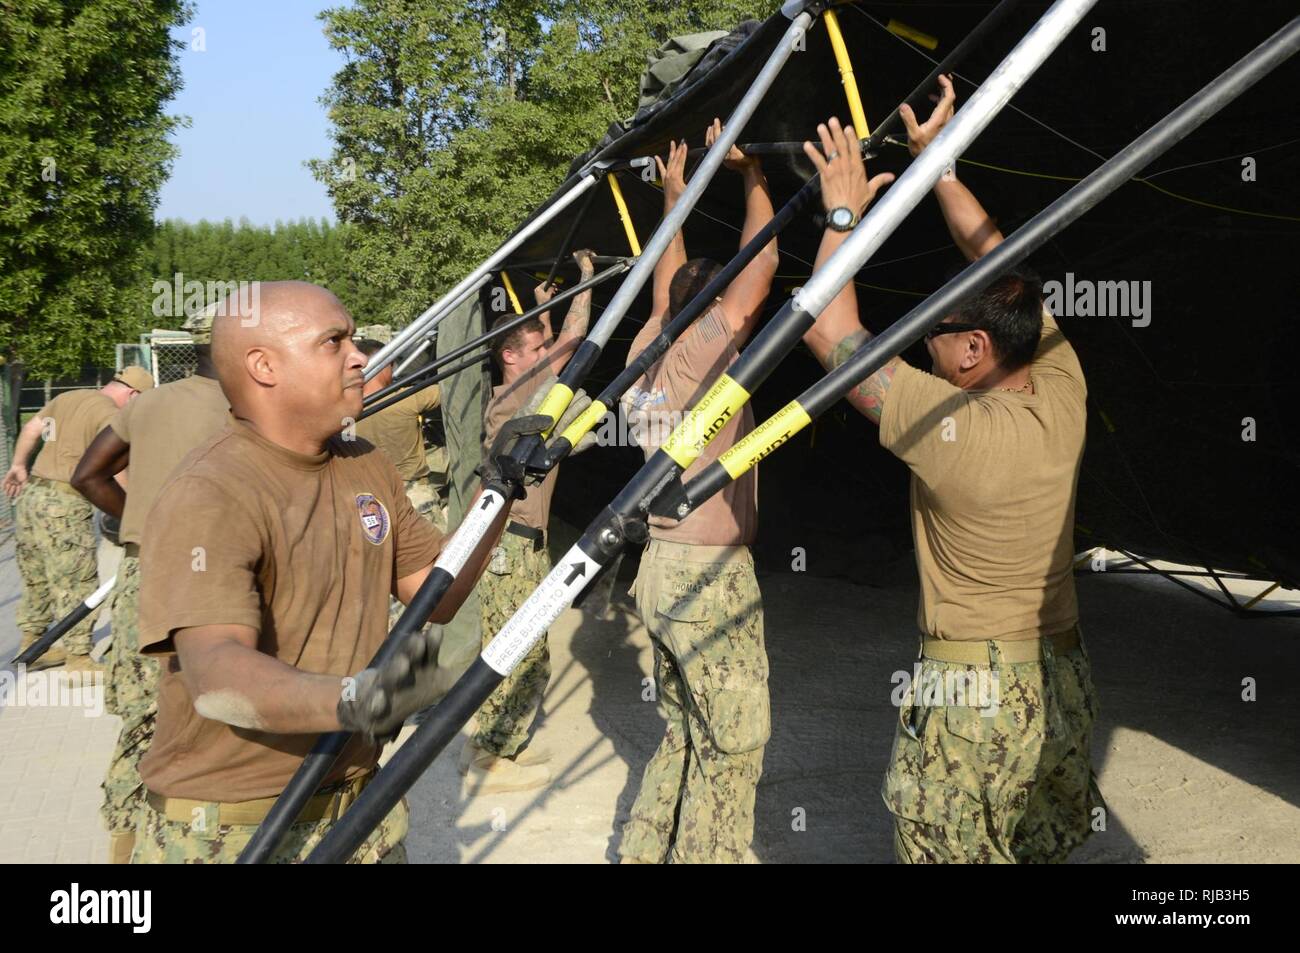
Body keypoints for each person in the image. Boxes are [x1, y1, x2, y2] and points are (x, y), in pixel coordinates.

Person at [799, 81, 1103, 863]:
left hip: (969, 695)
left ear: (974, 348)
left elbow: (829, 330)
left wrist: (842, 214)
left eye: (937, 330)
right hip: (1059, 680)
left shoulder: (950, 427)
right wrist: (938, 169)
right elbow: (998, 255)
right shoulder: (1063, 389)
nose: (925, 340)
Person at [128, 281, 523, 863]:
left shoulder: (365, 465)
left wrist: (501, 490)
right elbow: (214, 674)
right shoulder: (212, 492)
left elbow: (434, 594)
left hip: (359, 806)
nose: (359, 355)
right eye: (333, 342)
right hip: (236, 827)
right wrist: (354, 699)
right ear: (263, 366)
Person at [618, 119, 778, 864]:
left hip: (657, 566)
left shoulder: (648, 353)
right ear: (704, 314)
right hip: (707, 577)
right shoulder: (695, 361)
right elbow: (762, 268)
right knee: (734, 742)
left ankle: (647, 850)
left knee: (684, 732)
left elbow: (665, 286)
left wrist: (676, 197)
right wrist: (749, 175)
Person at [72, 308, 231, 864]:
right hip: (213, 577)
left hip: (144, 571)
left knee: (142, 715)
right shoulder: (251, 408)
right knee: (205, 716)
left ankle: (121, 844)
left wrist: (144, 519)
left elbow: (86, 475)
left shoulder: (148, 403)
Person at [459, 248, 596, 793]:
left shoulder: (521, 392)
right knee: (520, 649)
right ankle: (495, 756)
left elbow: (558, 344)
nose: (548, 353)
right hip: (510, 546)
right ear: (511, 357)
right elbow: (573, 342)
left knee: (516, 644)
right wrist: (584, 279)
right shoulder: (520, 395)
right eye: (536, 347)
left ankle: (493, 744)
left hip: (520, 543)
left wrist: (545, 304)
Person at [3, 367, 154, 669]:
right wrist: (135, 510)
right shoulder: (111, 415)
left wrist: (19, 465)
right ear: (133, 394)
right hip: (64, 504)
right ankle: (78, 659)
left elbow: (32, 428)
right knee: (76, 578)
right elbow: (116, 468)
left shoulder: (66, 397)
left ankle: (33, 644)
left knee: (37, 574)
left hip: (32, 494)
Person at [355, 340, 446, 533]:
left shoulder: (344, 408)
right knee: (438, 557)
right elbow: (450, 391)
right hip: (414, 497)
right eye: (391, 364)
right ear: (383, 366)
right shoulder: (408, 397)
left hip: (367, 500)